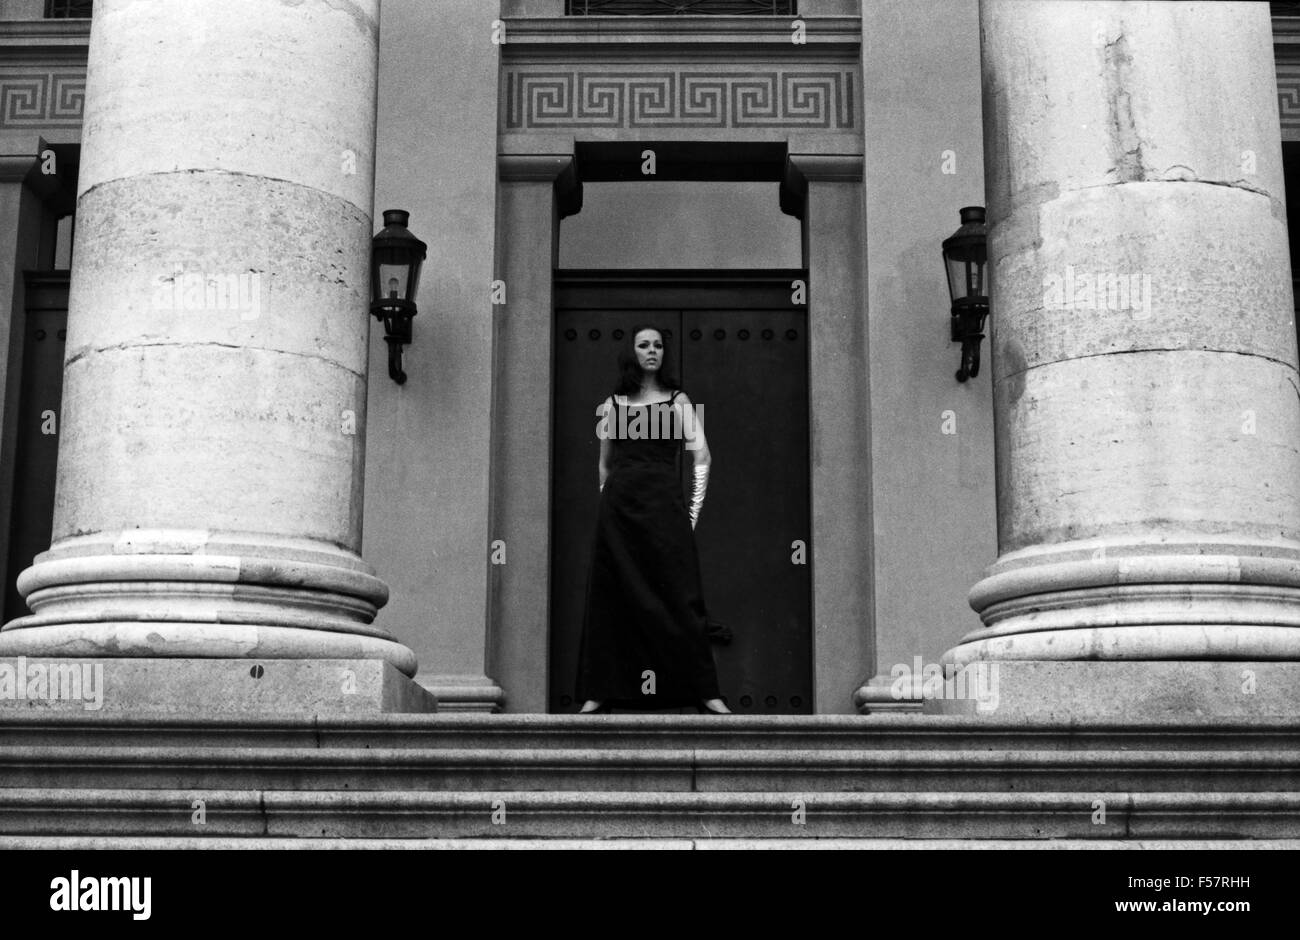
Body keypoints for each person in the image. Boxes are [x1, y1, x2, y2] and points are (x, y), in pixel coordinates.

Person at [575, 325, 730, 715]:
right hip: (619, 513)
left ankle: (706, 692)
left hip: (665, 510)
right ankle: (598, 691)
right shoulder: (613, 404)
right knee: (611, 598)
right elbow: (604, 464)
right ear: (632, 352)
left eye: (658, 345)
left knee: (680, 596)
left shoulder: (678, 401)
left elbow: (703, 456)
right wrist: (609, 513)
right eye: (644, 345)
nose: (652, 351)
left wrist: (691, 515)